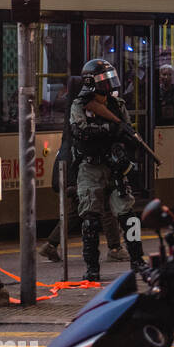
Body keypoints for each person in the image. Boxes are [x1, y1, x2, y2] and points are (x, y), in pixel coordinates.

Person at [70, 59, 144, 281]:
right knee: (91, 220)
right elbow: (81, 133)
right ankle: (92, 268)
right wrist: (109, 129)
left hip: (114, 168)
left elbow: (126, 133)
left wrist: (123, 149)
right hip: (90, 167)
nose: (109, 84)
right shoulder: (80, 105)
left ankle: (138, 261)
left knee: (128, 216)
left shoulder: (117, 104)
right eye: (103, 80)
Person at [39, 76, 127, 265]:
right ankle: (114, 248)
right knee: (104, 207)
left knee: (76, 212)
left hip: (69, 170)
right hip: (79, 172)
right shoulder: (81, 112)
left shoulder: (75, 111)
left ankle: (51, 245)